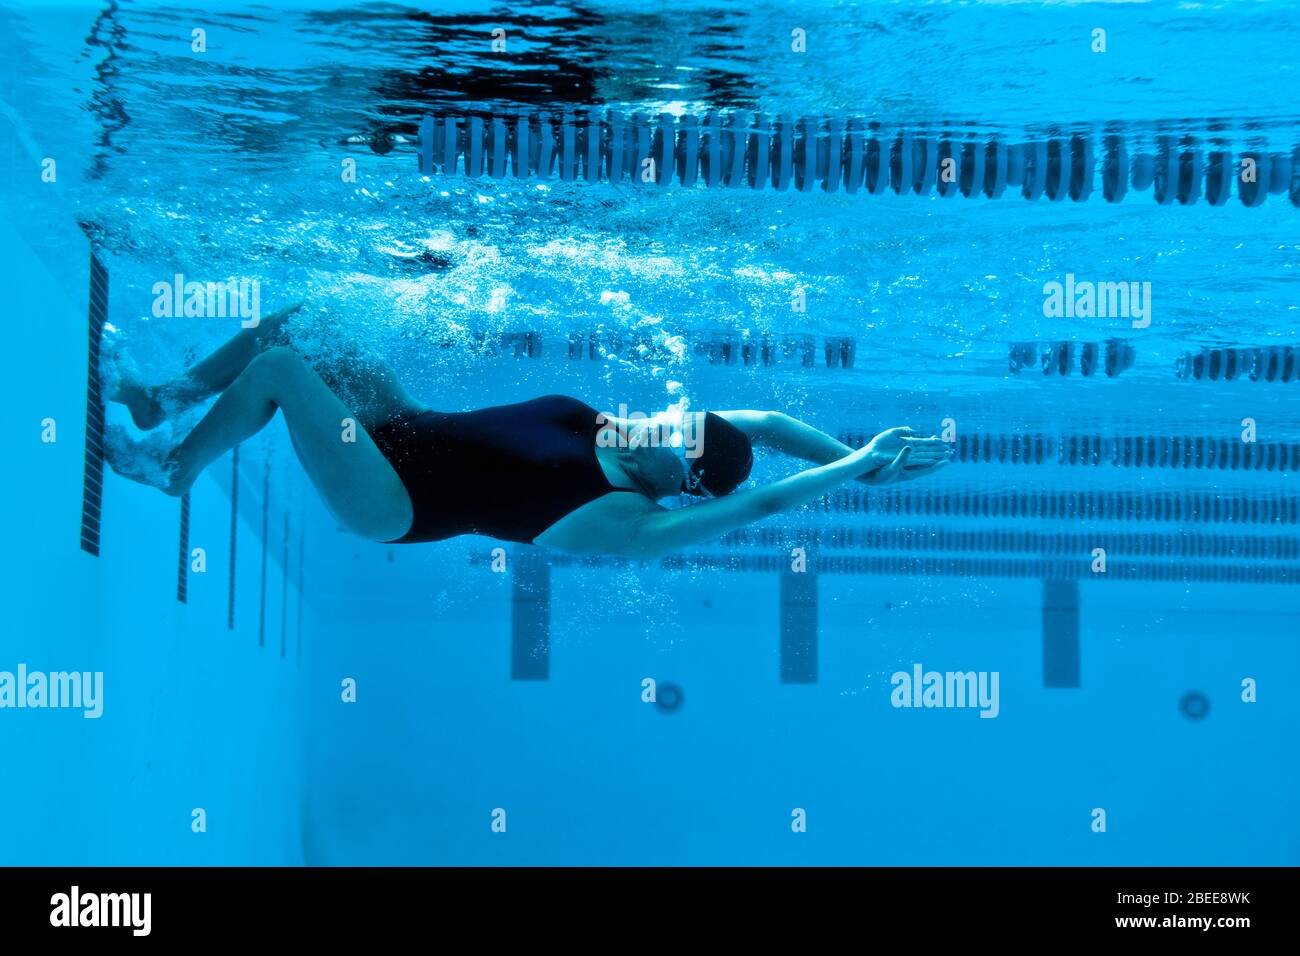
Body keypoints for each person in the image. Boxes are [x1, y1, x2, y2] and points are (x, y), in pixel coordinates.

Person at [106, 302, 951, 558]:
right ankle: (161, 400)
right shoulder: (628, 439)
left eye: (675, 433)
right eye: (680, 413)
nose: (660, 417)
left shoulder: (627, 522)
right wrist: (864, 459)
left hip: (393, 496)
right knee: (311, 327)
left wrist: (848, 475)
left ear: (680, 482)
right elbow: (762, 422)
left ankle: (172, 469)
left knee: (284, 374)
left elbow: (759, 507)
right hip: (405, 425)